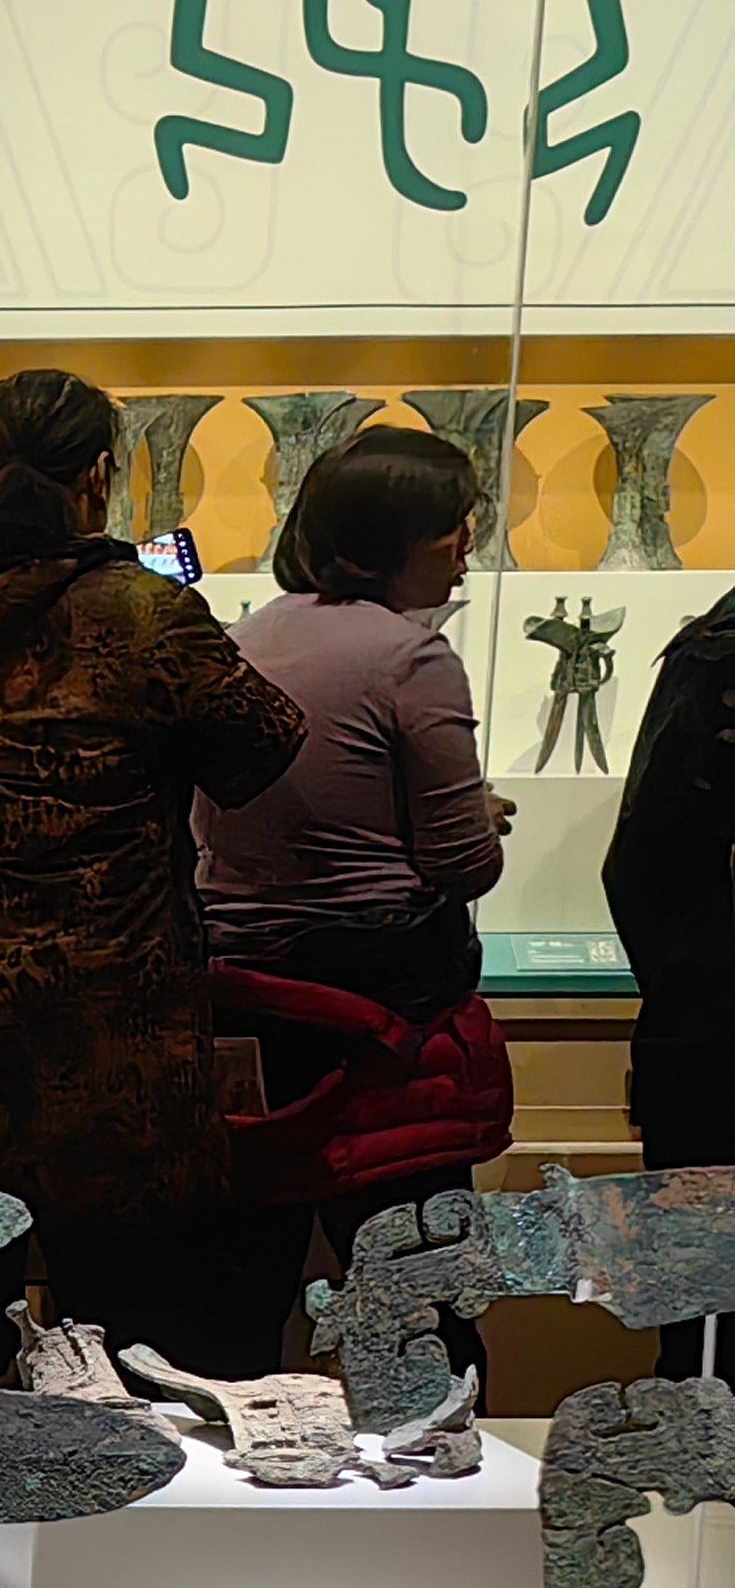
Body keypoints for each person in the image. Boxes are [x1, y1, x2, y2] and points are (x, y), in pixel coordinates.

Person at [0, 368, 305, 1386]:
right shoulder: (143, 615)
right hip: (108, 1053)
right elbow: (264, 747)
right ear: (98, 476)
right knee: (130, 1342)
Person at [192, 428, 512, 1387]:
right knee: (415, 1319)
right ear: (387, 541)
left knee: (236, 1313)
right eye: (449, 530)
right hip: (381, 1015)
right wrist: (477, 820)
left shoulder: (240, 638)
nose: (465, 547)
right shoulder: (409, 658)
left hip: (245, 998)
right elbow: (465, 863)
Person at [608, 584, 735, 1381]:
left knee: (699, 1340)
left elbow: (641, 865)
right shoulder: (716, 653)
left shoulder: (713, 650)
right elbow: (651, 866)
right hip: (712, 1032)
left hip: (705, 1034)